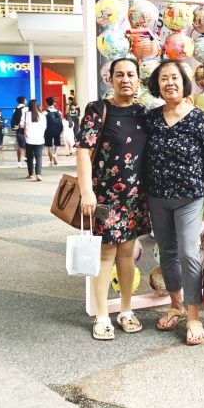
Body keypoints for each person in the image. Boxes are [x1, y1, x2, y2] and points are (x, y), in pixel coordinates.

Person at [145, 59, 204, 346]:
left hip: (190, 196)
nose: (169, 83)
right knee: (166, 252)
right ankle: (176, 305)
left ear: (183, 82)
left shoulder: (199, 118)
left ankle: (193, 315)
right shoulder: (151, 118)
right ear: (157, 84)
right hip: (157, 196)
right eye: (164, 78)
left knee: (188, 253)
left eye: (174, 78)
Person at [76, 58, 151, 340]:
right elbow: (83, 151)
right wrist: (86, 191)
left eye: (131, 74)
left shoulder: (143, 114)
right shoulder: (98, 110)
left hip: (134, 197)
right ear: (110, 79)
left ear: (139, 80)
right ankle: (102, 314)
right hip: (104, 197)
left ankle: (126, 310)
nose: (125, 79)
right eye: (119, 74)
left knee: (127, 254)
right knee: (106, 253)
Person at [21, 99, 46, 181]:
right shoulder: (42, 116)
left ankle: (31, 174)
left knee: (30, 157)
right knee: (38, 157)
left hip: (29, 140)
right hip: (39, 139)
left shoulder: (26, 115)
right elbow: (44, 127)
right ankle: (38, 174)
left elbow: (21, 125)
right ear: (37, 106)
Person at [44, 96, 63, 166]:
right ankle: (55, 154)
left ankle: (51, 162)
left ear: (47, 103)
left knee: (49, 146)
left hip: (48, 130)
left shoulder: (45, 113)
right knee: (57, 145)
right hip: (57, 131)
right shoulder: (59, 112)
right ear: (54, 103)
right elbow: (62, 121)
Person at [10, 96, 27, 168]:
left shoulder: (15, 109)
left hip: (18, 129)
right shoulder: (26, 109)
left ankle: (19, 162)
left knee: (20, 145)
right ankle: (27, 159)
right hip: (25, 128)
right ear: (24, 101)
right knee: (27, 144)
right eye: (25, 100)